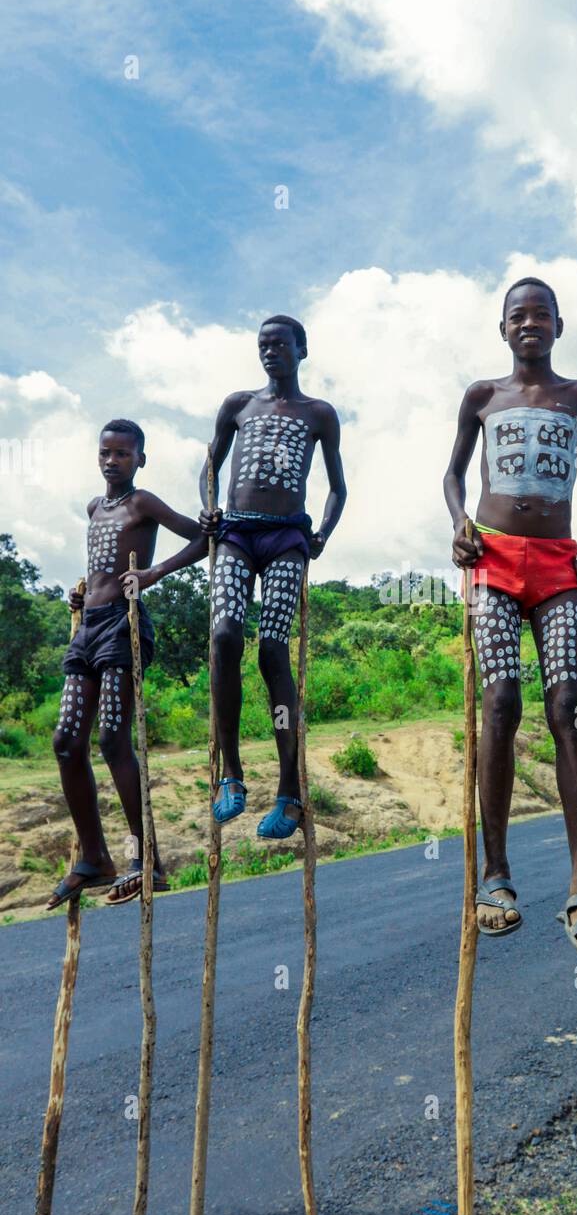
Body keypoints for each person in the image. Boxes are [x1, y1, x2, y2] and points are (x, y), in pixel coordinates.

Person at [443, 278, 577, 961]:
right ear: (502, 328)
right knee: (501, 700)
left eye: (540, 315)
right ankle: (495, 877)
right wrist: (459, 523)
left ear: (558, 325)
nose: (530, 324)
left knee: (570, 707)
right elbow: (452, 475)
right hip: (492, 563)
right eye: (517, 315)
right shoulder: (482, 397)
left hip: (556, 567)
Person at [48, 420, 208, 909]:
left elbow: (202, 537)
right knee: (65, 741)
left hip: (124, 624)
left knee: (111, 738)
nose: (111, 461)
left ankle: (148, 858)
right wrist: (83, 591)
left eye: (123, 454)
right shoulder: (95, 508)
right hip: (89, 626)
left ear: (141, 459)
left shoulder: (144, 503)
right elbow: (99, 568)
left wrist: (153, 573)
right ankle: (95, 857)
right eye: (105, 452)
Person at [199, 314, 346, 837]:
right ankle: (232, 775)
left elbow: (337, 488)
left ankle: (289, 791)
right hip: (236, 535)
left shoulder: (319, 413)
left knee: (272, 651)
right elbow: (210, 466)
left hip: (287, 539)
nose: (270, 352)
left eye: (280, 344)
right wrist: (208, 509)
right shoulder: (238, 405)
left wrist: (322, 534)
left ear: (301, 350)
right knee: (223, 636)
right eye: (263, 344)